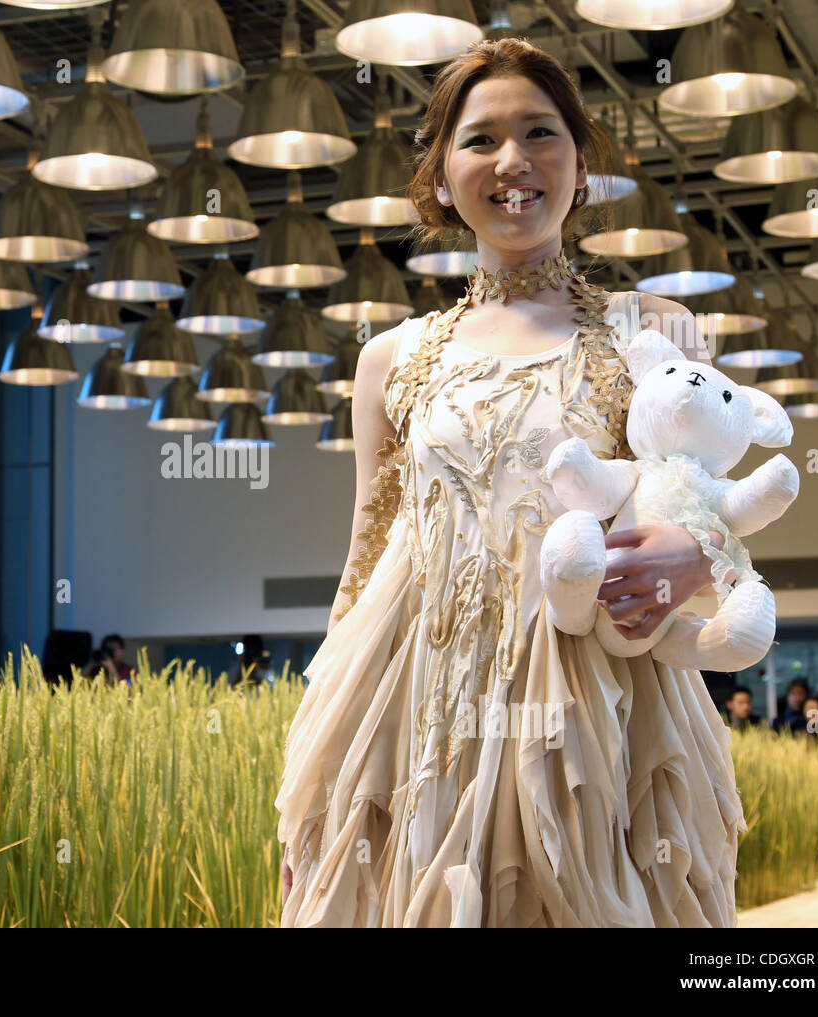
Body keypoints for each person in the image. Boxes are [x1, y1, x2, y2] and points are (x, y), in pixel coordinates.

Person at [276, 38, 752, 928]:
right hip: (423, 709)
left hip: (597, 716)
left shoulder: (656, 332)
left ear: (579, 160)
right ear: (441, 174)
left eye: (539, 132)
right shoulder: (393, 359)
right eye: (480, 139)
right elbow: (363, 559)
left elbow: (712, 519)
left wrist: (700, 556)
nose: (512, 162)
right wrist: (321, 784)